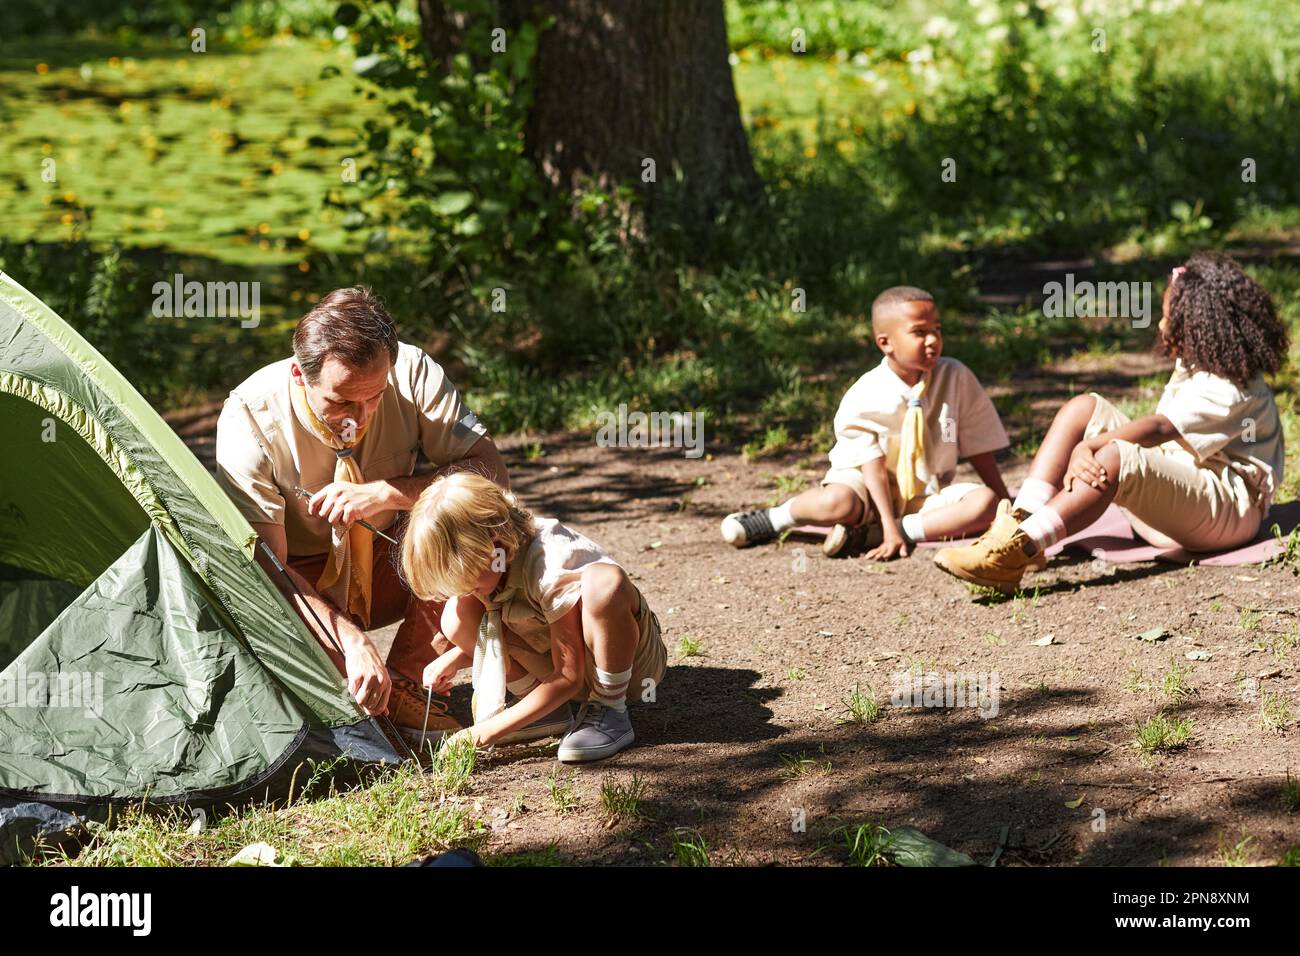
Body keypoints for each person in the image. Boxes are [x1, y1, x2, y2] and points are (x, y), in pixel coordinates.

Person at [215, 286, 509, 742]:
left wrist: (386, 494)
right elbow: (267, 570)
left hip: (395, 562)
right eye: (342, 402)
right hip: (305, 579)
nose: (361, 417)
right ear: (299, 374)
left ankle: (409, 682)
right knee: (256, 584)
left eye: (375, 397)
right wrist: (350, 641)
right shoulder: (248, 418)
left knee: (470, 514)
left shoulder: (412, 371)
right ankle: (368, 696)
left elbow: (491, 475)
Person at [935, 252, 1287, 595]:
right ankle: (1020, 523)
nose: (1161, 324)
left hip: (1225, 518)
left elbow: (1160, 428)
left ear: (1195, 325)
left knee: (1115, 454)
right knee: (1082, 408)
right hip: (1180, 503)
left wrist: (1089, 447)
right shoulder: (1201, 362)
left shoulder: (1231, 387)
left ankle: (1016, 551)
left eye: (1167, 316)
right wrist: (1087, 440)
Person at [721, 285, 1010, 560]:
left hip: (925, 495)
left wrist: (1007, 502)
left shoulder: (955, 376)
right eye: (919, 333)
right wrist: (886, 520)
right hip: (865, 491)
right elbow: (872, 467)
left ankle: (875, 535)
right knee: (836, 502)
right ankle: (775, 518)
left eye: (937, 330)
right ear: (886, 343)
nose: (933, 340)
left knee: (986, 504)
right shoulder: (866, 393)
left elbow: (977, 442)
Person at [402, 473, 667, 763]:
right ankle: (548, 710)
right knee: (456, 616)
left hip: (629, 668)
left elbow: (567, 676)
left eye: (471, 581)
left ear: (496, 544)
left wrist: (484, 732)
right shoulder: (494, 567)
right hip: (570, 673)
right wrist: (459, 657)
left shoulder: (549, 561)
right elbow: (516, 631)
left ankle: (609, 709)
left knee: (605, 585)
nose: (469, 591)